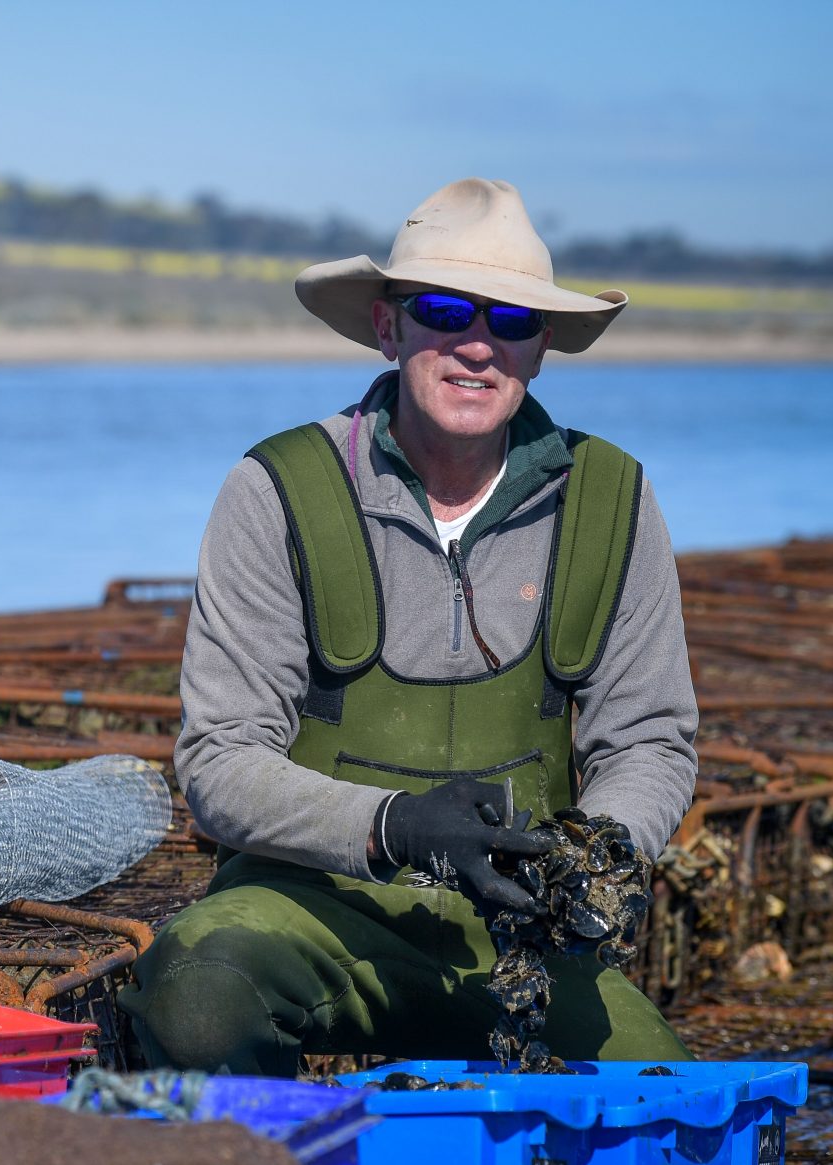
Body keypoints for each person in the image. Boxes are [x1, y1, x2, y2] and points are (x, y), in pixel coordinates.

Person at [118, 178, 697, 1077]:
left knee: (663, 1096)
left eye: (510, 321)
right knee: (198, 995)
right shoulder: (278, 490)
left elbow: (653, 739)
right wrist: (396, 827)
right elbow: (220, 760)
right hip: (310, 905)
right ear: (389, 327)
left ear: (542, 346)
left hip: (520, 931)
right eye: (442, 310)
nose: (477, 345)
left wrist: (603, 848)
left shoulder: (611, 499)